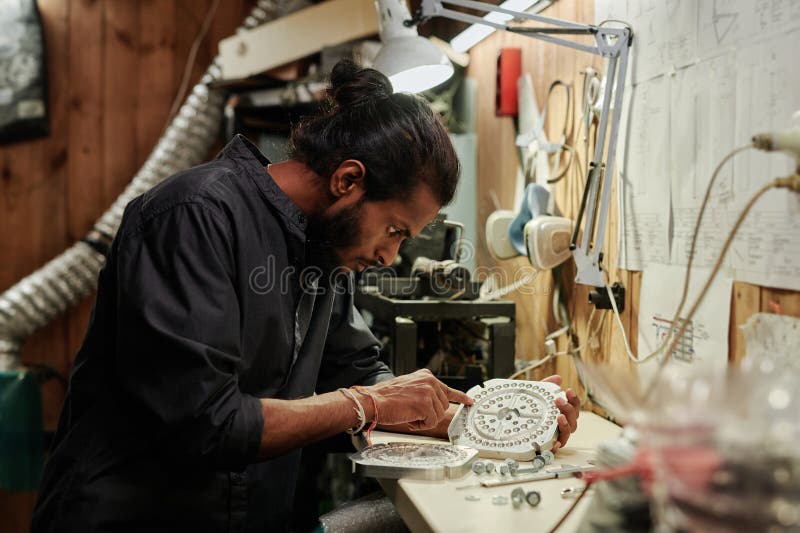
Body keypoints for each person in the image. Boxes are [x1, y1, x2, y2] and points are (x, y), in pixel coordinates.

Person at [31, 60, 580, 532]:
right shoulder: (195, 216)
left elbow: (360, 369)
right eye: (394, 230)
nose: (390, 256)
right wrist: (366, 405)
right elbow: (207, 424)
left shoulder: (321, 248)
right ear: (348, 180)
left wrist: (488, 416)